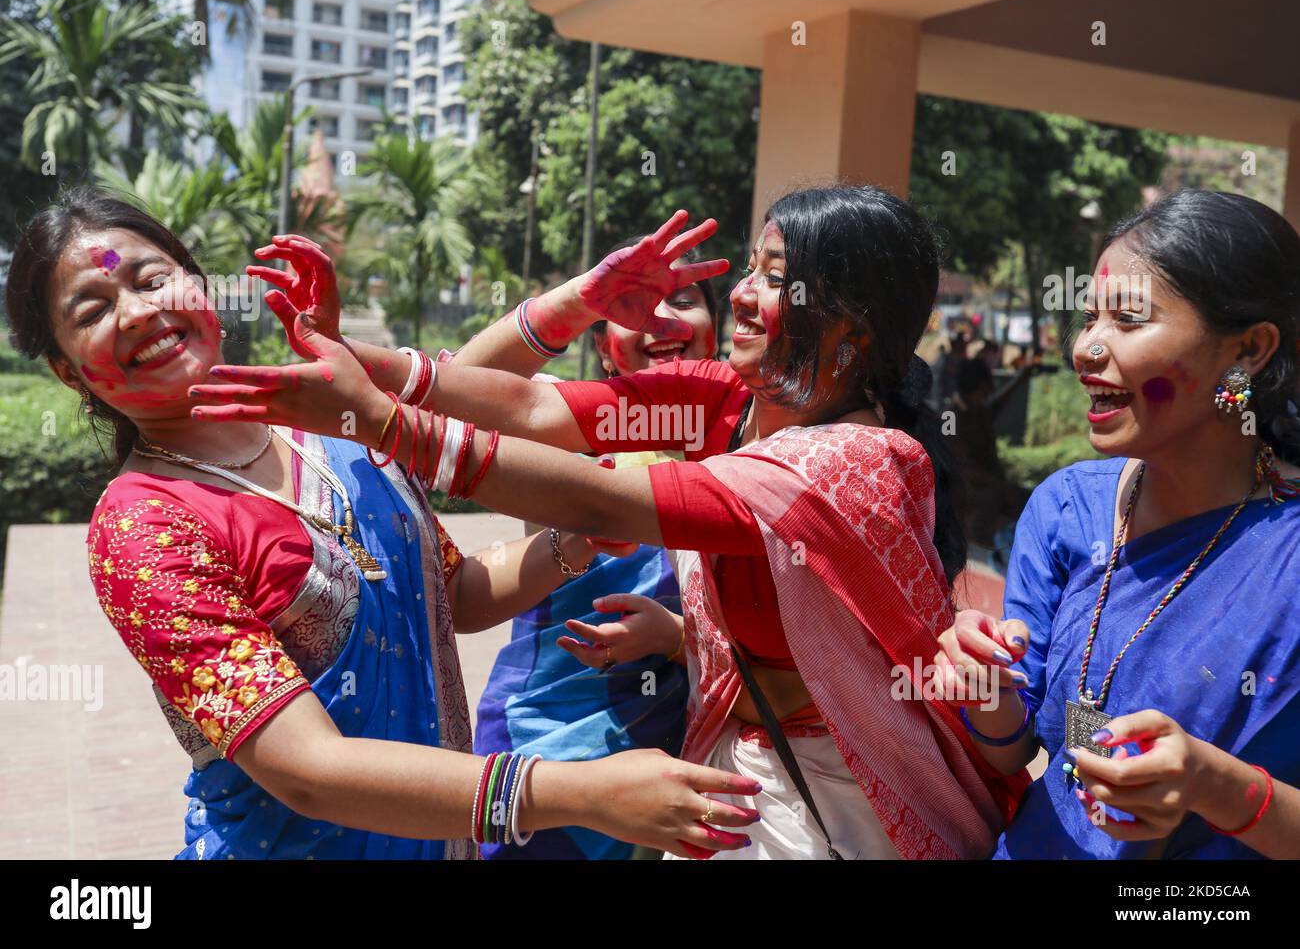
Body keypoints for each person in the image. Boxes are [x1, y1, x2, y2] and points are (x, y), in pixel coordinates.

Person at [190, 186, 1030, 859]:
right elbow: (529, 405)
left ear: (847, 329)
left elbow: (602, 501)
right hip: (731, 768)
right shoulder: (730, 403)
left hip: (850, 796)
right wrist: (337, 350)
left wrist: (379, 421)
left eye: (775, 278)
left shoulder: (855, 460)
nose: (739, 293)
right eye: (751, 268)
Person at [4, 187, 760, 860]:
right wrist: (581, 794)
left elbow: (454, 596)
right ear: (69, 370)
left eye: (150, 277)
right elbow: (308, 771)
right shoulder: (143, 524)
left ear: (200, 286)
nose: (139, 311)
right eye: (94, 310)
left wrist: (573, 543)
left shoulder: (329, 432)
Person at [930, 189, 1300, 858]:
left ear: (1247, 351)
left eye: (1128, 320)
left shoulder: (1288, 552)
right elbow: (1017, 751)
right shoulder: (1069, 509)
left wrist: (1215, 786)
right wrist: (982, 686)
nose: (1085, 348)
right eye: (1089, 318)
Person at [466, 234, 721, 860]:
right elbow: (463, 389)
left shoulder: (749, 454)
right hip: (540, 755)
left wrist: (677, 638)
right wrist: (577, 301)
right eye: (633, 307)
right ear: (603, 346)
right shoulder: (568, 430)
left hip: (666, 775)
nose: (661, 320)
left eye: (683, 301)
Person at [951, 356, 1035, 547]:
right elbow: (959, 466)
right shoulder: (950, 417)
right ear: (976, 387)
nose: (988, 393)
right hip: (971, 494)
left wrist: (1020, 379)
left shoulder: (978, 410)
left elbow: (996, 404)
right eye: (985, 389)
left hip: (993, 484)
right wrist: (1000, 486)